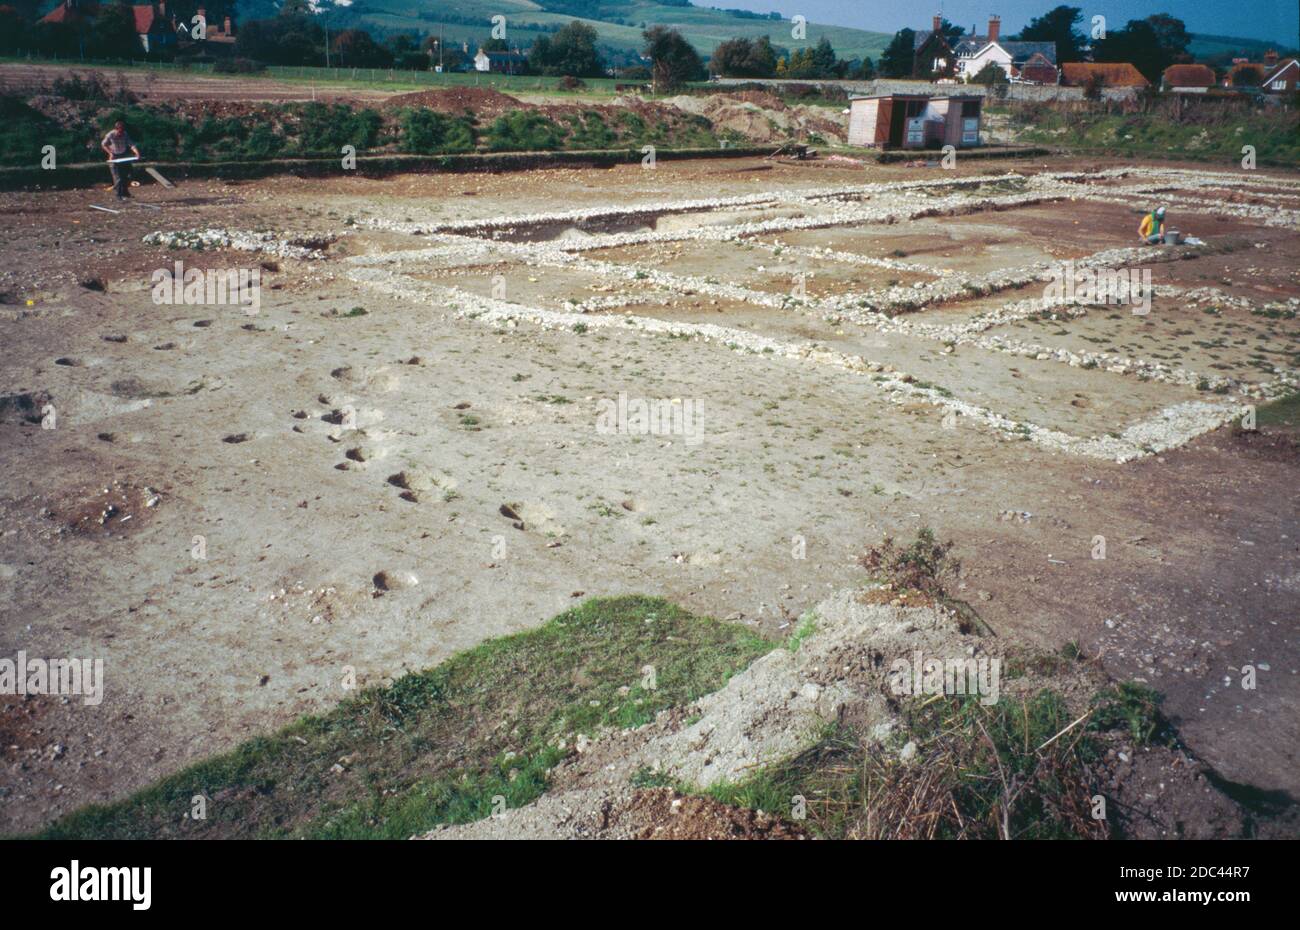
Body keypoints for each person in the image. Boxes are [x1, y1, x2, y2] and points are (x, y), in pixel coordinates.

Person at [101, 120, 142, 201]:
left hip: (123, 155)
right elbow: (103, 144)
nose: (121, 133)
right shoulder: (110, 135)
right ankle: (118, 195)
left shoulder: (125, 134)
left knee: (127, 175)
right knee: (118, 177)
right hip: (114, 157)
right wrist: (110, 153)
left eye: (122, 131)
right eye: (120, 131)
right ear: (116, 129)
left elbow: (131, 144)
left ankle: (125, 193)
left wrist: (137, 153)